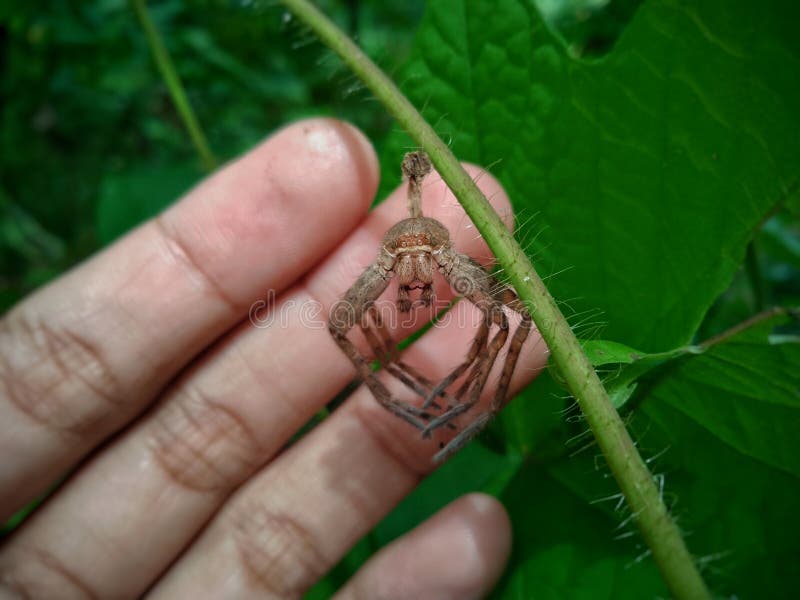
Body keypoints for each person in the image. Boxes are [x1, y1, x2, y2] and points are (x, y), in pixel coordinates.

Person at [0, 118, 546, 598]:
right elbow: (344, 321)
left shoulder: (443, 254)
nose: (416, 283)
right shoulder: (392, 263)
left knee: (498, 319)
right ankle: (405, 382)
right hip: (405, 245)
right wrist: (390, 372)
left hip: (431, 241)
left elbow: (496, 319)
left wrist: (471, 391)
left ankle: (470, 397)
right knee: (343, 319)